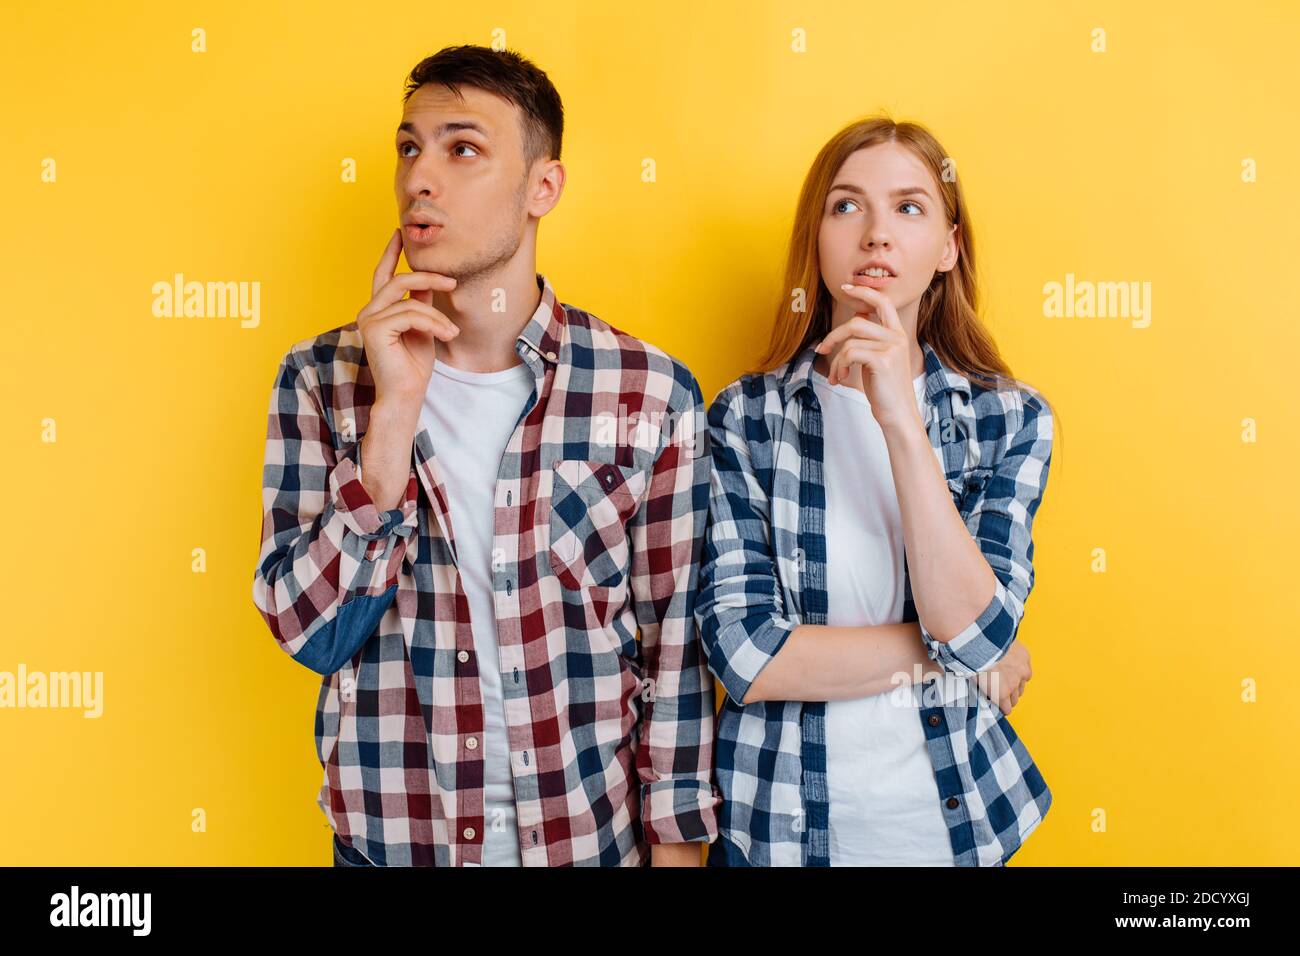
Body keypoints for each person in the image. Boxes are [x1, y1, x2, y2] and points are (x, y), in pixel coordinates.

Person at [252, 44, 718, 867]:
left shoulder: (649, 394)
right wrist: (393, 412)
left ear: (544, 187)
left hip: (588, 846)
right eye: (409, 148)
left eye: (461, 148)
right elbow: (311, 635)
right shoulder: (322, 380)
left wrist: (678, 853)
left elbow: (673, 656)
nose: (417, 178)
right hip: (393, 848)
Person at [696, 116, 1055, 867]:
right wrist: (961, 655)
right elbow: (748, 655)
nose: (877, 235)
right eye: (847, 205)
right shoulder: (746, 417)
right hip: (777, 831)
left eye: (910, 207)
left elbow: (974, 628)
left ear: (949, 248)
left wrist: (898, 417)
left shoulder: (1009, 418)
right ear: (816, 237)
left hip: (956, 829)